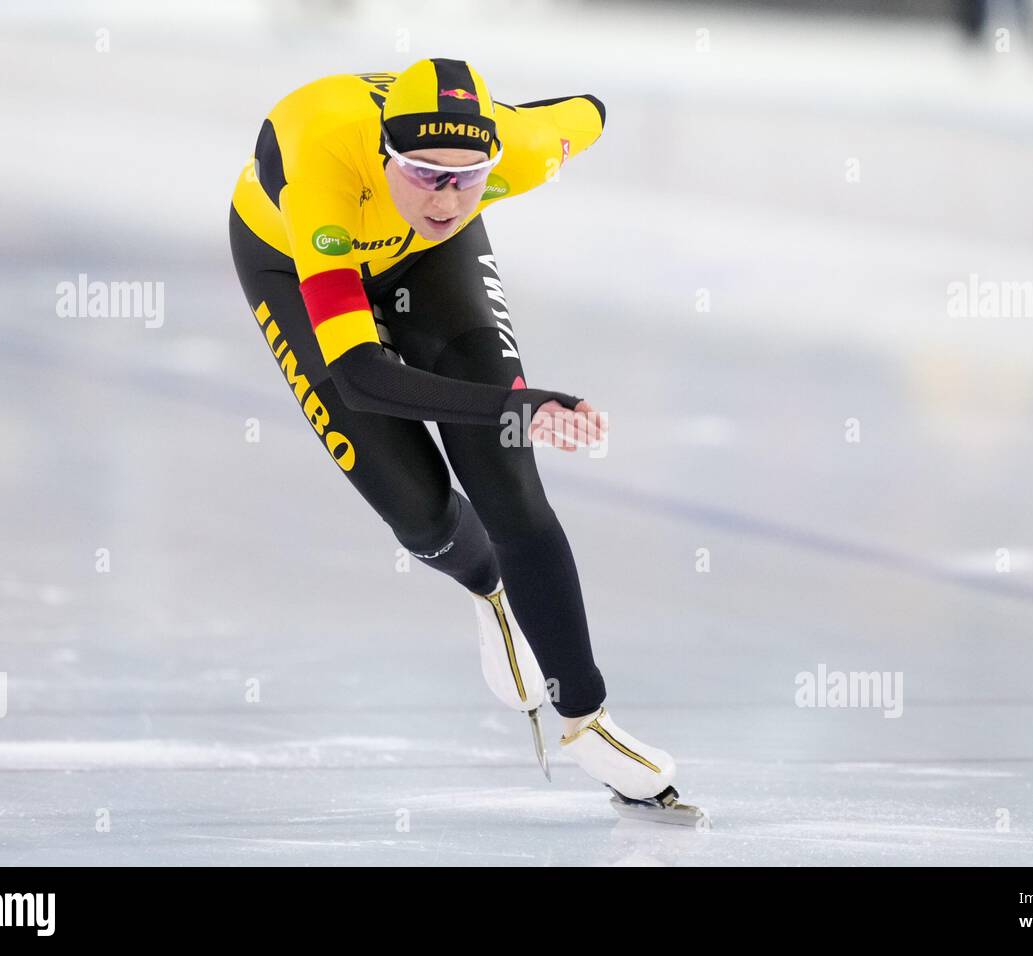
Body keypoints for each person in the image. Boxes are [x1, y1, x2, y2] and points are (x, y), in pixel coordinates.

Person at [229, 58, 697, 819]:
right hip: (295, 259)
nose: (445, 197)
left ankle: (587, 722)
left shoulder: (521, 151)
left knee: (512, 488)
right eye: (422, 174)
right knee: (417, 510)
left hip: (431, 264)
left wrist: (512, 414)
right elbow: (362, 378)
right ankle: (488, 588)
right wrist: (518, 404)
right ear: (386, 153)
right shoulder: (322, 161)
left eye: (466, 177)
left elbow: (588, 109)